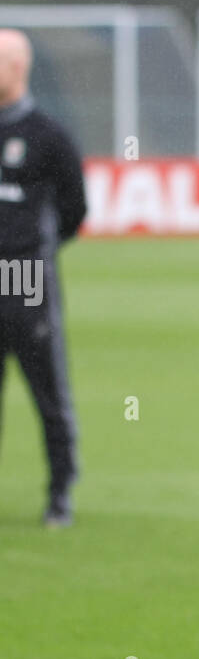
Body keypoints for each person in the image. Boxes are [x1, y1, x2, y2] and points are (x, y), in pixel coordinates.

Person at [0, 29, 86, 526]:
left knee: (47, 389)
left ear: (18, 66)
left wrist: (35, 251)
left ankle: (60, 494)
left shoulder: (48, 136)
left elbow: (74, 210)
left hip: (23, 274)